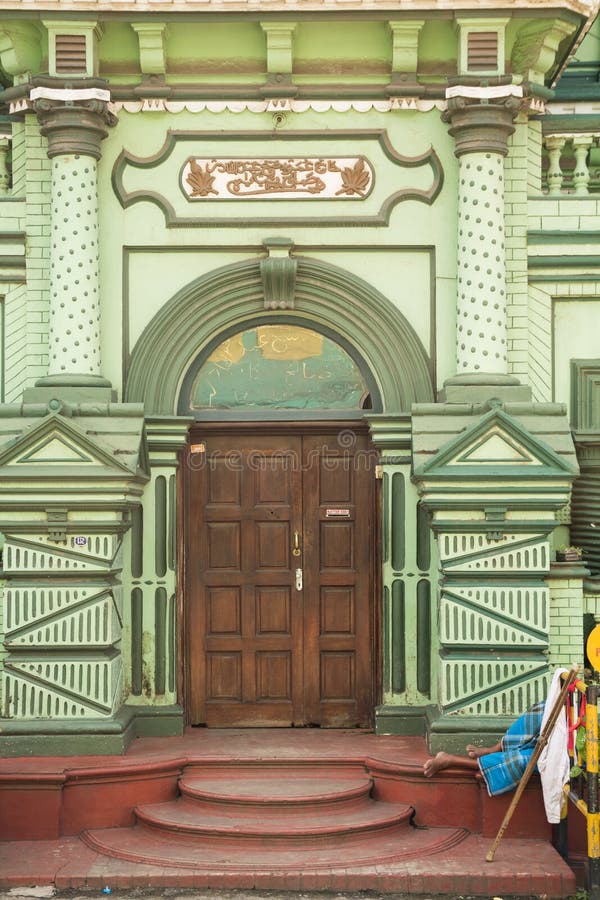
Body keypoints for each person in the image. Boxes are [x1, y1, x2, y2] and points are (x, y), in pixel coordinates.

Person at [423, 701, 545, 797]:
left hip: (558, 755)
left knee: (520, 759)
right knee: (543, 708)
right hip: (553, 737)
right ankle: (493, 749)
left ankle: (451, 760)